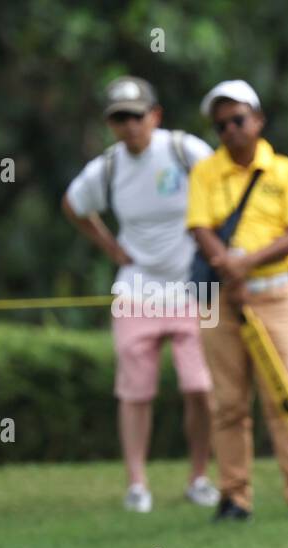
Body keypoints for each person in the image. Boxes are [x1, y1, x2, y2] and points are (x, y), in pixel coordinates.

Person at [62, 76, 218, 513]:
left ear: (155, 115)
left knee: (201, 387)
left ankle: (199, 477)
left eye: (135, 116)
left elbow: (221, 192)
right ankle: (137, 483)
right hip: (136, 289)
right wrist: (110, 247)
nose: (129, 125)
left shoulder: (185, 151)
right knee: (135, 392)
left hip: (197, 285)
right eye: (119, 118)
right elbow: (73, 205)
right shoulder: (108, 167)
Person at [187, 80, 288, 520]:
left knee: (287, 395)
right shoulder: (205, 172)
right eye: (221, 125)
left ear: (258, 120)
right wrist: (225, 267)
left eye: (237, 120)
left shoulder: (287, 171)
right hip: (220, 301)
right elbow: (200, 227)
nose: (230, 130)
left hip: (273, 295)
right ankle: (234, 496)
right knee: (228, 402)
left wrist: (244, 264)